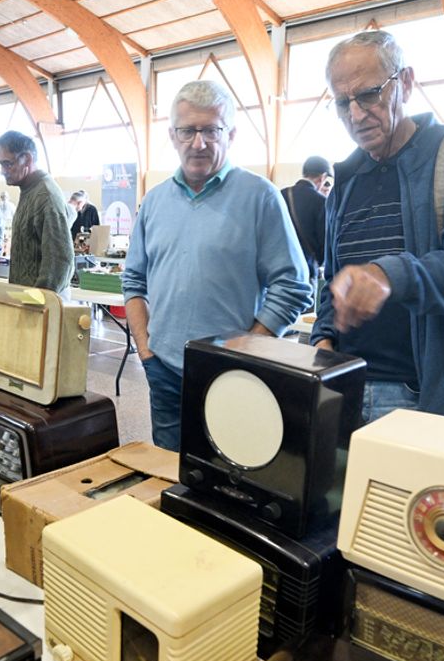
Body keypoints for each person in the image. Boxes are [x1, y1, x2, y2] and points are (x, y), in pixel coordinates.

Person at [311, 30, 444, 423]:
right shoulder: (346, 181)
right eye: (342, 102)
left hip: (424, 395)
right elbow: (332, 278)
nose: (355, 114)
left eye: (369, 94)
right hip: (344, 388)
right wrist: (324, 335)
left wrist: (391, 274)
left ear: (405, 82)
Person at [123, 80, 312, 450]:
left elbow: (293, 284)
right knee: (166, 475)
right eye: (188, 130)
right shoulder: (155, 202)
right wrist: (145, 349)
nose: (199, 142)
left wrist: (247, 350)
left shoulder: (261, 197)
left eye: (211, 129)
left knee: (228, 480)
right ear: (173, 135)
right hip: (163, 369)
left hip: (234, 376)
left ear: (231, 134)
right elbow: (133, 280)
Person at [0, 131, 74, 294]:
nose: (2, 170)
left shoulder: (46, 195)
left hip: (42, 305)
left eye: (7, 163)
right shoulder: (30, 191)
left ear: (28, 159)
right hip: (30, 301)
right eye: (0, 163)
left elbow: (60, 260)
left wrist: (39, 302)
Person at [283, 155, 333, 280]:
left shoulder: (281, 194)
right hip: (306, 269)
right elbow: (324, 241)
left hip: (278, 269)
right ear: (322, 178)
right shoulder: (321, 201)